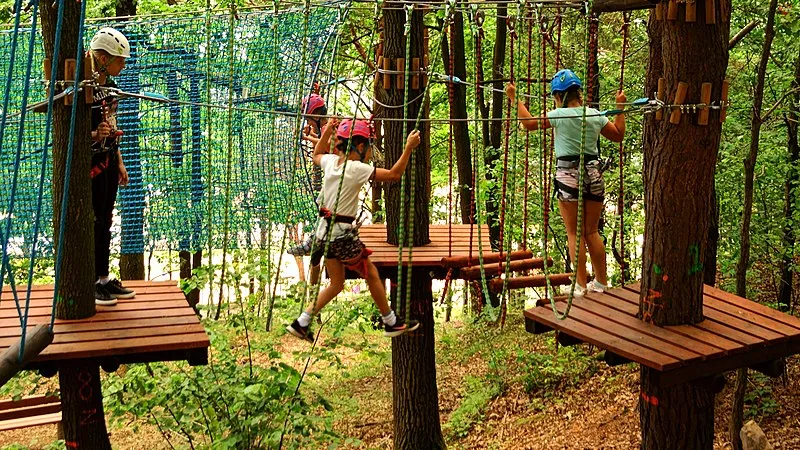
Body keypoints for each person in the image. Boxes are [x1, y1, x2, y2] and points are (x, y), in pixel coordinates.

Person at [286, 118, 421, 341]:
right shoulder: (357, 168)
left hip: (323, 234)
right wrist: (408, 148)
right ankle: (390, 321)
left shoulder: (331, 162)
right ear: (360, 146)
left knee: (337, 284)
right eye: (369, 146)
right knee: (371, 273)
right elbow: (395, 175)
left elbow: (316, 155)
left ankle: (302, 322)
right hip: (340, 236)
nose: (370, 152)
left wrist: (327, 129)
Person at [506, 69, 626, 295]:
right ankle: (601, 282)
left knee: (574, 232)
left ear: (559, 96)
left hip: (568, 175)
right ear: (578, 94)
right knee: (591, 232)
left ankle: (580, 285)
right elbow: (618, 135)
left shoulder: (558, 115)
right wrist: (620, 109)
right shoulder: (594, 114)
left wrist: (515, 99)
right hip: (593, 174)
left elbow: (529, 124)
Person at [89, 27, 136, 306]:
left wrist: (119, 161)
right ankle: (92, 282)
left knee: (106, 219)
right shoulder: (82, 82)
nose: (123, 65)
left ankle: (104, 279)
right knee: (94, 221)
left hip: (107, 160)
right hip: (89, 164)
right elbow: (66, 132)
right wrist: (95, 135)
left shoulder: (107, 86)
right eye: (120, 59)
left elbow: (113, 126)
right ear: (104, 57)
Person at [288, 93, 329, 287]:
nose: (307, 122)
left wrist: (307, 137)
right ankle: (314, 241)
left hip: (339, 180)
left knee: (328, 211)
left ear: (316, 116)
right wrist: (310, 136)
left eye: (308, 118)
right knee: (325, 210)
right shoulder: (323, 128)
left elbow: (327, 146)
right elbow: (322, 141)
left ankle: (313, 240)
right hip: (335, 180)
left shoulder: (329, 127)